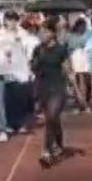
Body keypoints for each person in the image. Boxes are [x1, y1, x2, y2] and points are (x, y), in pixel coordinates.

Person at [32, 20, 69, 167]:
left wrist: (74, 86)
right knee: (52, 119)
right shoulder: (38, 49)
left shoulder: (61, 50)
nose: (42, 35)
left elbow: (67, 69)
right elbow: (33, 67)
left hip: (58, 87)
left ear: (53, 33)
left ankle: (46, 151)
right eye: (40, 32)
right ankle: (59, 143)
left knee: (52, 116)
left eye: (45, 32)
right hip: (43, 87)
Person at [3, 11, 35, 134]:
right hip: (7, 70)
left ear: (17, 21)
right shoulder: (2, 34)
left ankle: (23, 123)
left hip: (22, 70)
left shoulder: (23, 34)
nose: (11, 22)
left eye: (13, 20)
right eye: (8, 20)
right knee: (9, 98)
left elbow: (28, 51)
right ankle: (10, 123)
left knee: (22, 97)